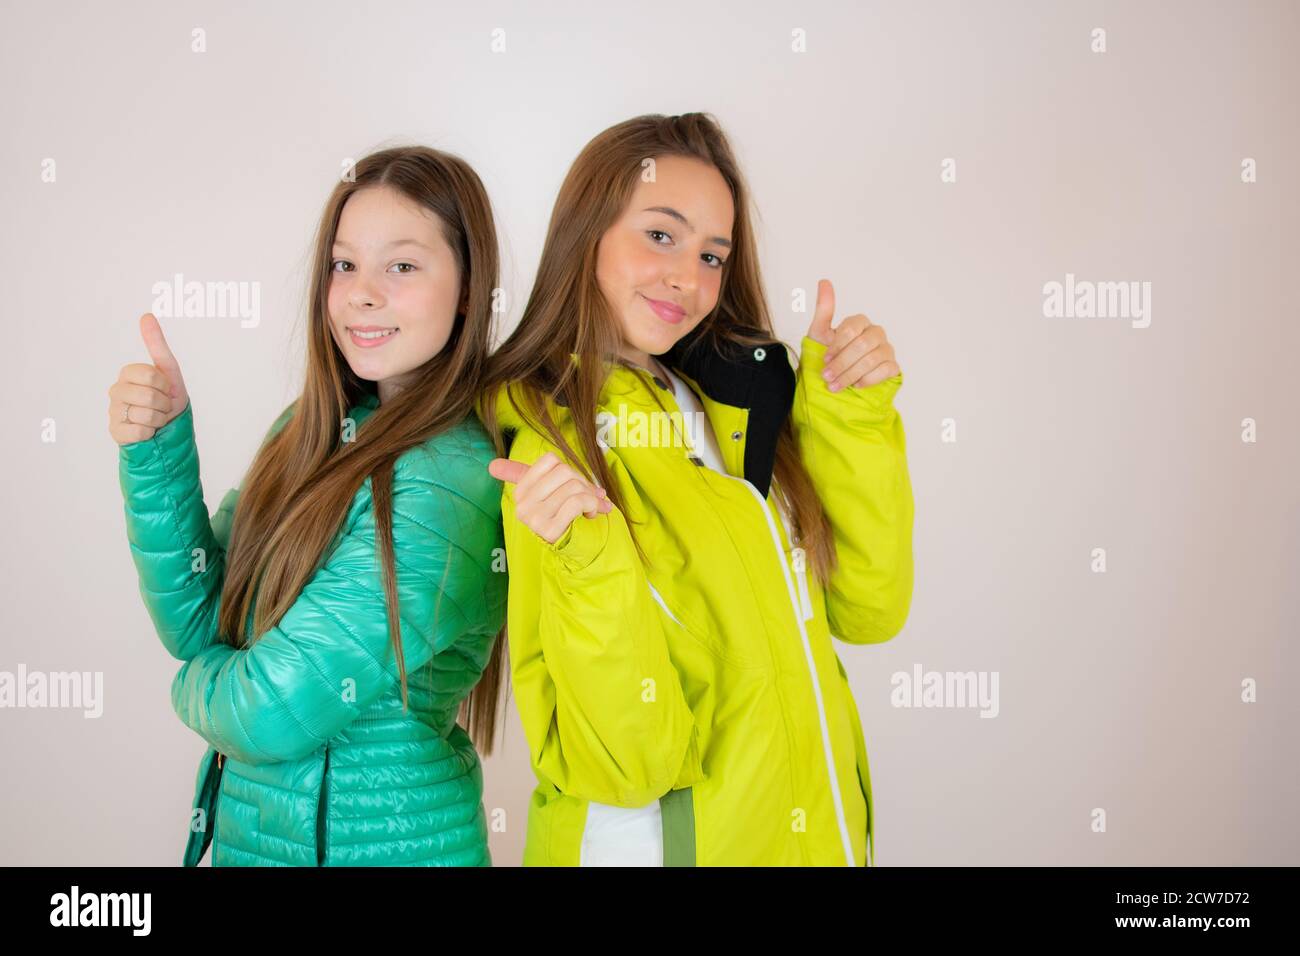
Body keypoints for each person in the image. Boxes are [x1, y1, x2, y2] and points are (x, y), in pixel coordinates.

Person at [478, 113, 915, 866]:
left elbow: (868, 608)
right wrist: (591, 560)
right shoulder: (544, 436)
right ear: (588, 233)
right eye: (660, 235)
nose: (689, 277)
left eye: (713, 253)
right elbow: (627, 760)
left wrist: (851, 417)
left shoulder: (728, 410)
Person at [110, 146, 508, 866]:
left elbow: (266, 715)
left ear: (469, 287)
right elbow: (199, 619)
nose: (360, 293)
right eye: (343, 263)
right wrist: (158, 452)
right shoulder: (313, 429)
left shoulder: (453, 481)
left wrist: (190, 684)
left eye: (403, 266)